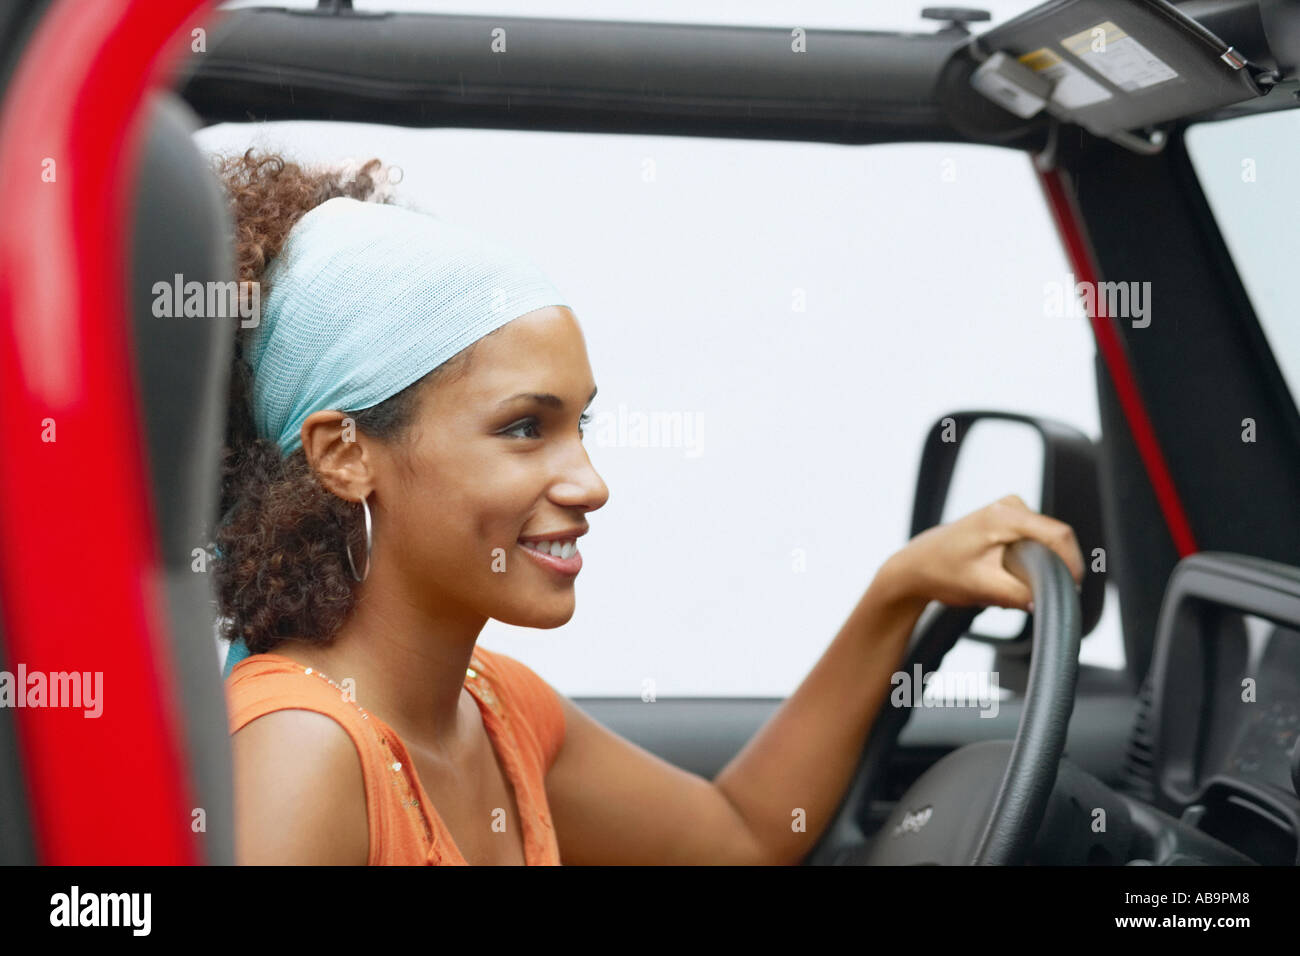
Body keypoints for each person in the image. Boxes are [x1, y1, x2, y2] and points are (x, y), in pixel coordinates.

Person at [212, 149, 1084, 866]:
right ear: (345, 455)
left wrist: (901, 587)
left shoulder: (499, 708)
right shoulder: (301, 753)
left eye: (579, 425)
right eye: (524, 428)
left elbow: (739, 839)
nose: (590, 483)